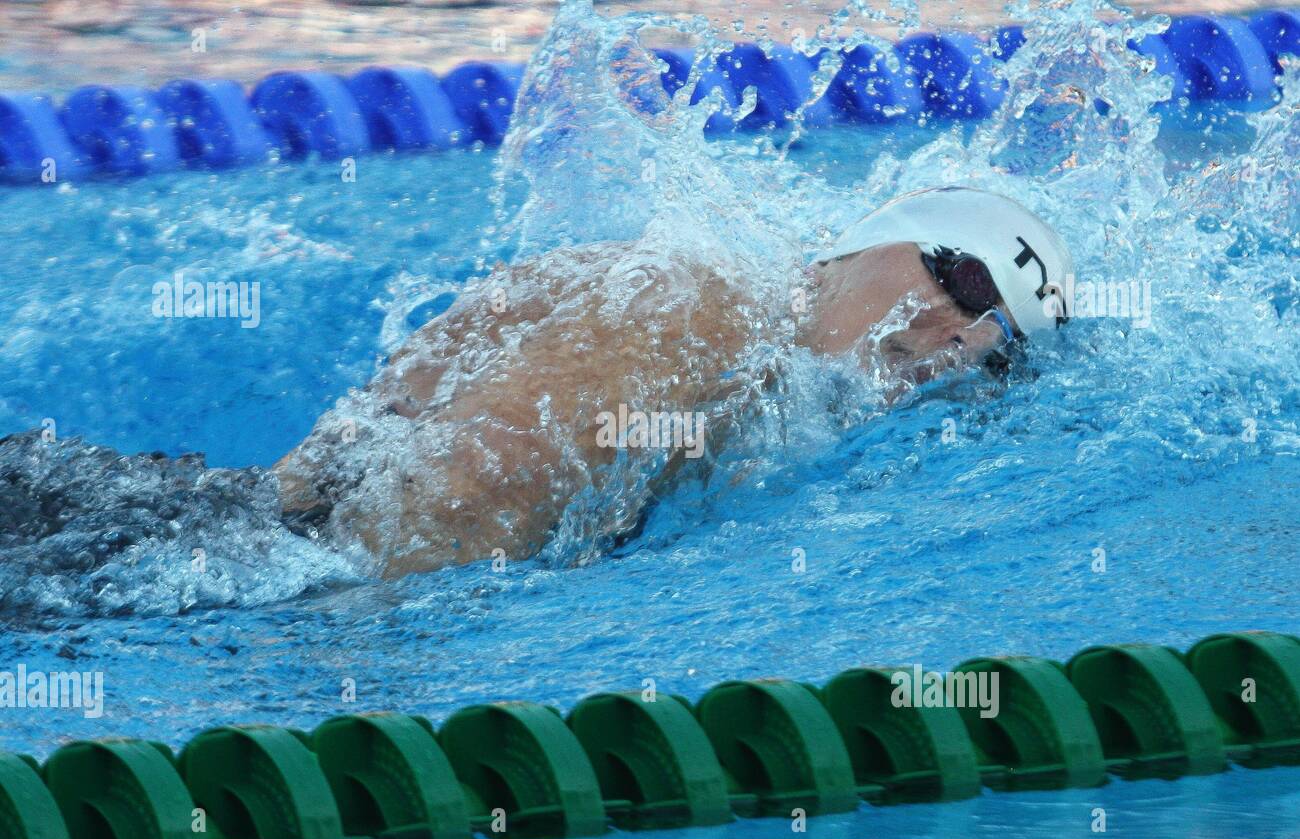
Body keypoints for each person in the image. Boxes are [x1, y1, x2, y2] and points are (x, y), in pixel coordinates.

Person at [273, 186, 1073, 578]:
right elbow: (458, 497)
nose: (961, 340)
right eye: (966, 282)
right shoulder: (707, 313)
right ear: (859, 248)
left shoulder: (760, 384)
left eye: (999, 348)